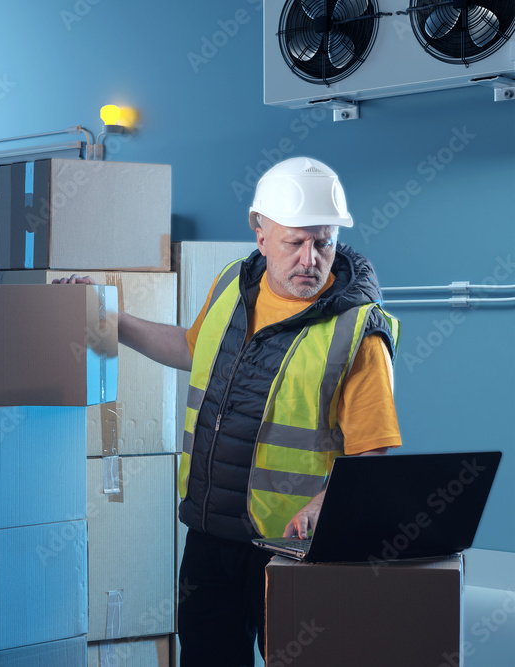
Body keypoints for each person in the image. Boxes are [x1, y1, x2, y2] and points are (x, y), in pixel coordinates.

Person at [56, 157, 401, 666]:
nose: (310, 259)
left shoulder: (357, 333)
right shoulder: (231, 287)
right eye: (295, 242)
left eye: (323, 242)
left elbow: (374, 454)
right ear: (260, 234)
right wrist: (112, 319)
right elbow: (193, 349)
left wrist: (324, 504)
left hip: (291, 549)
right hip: (210, 535)